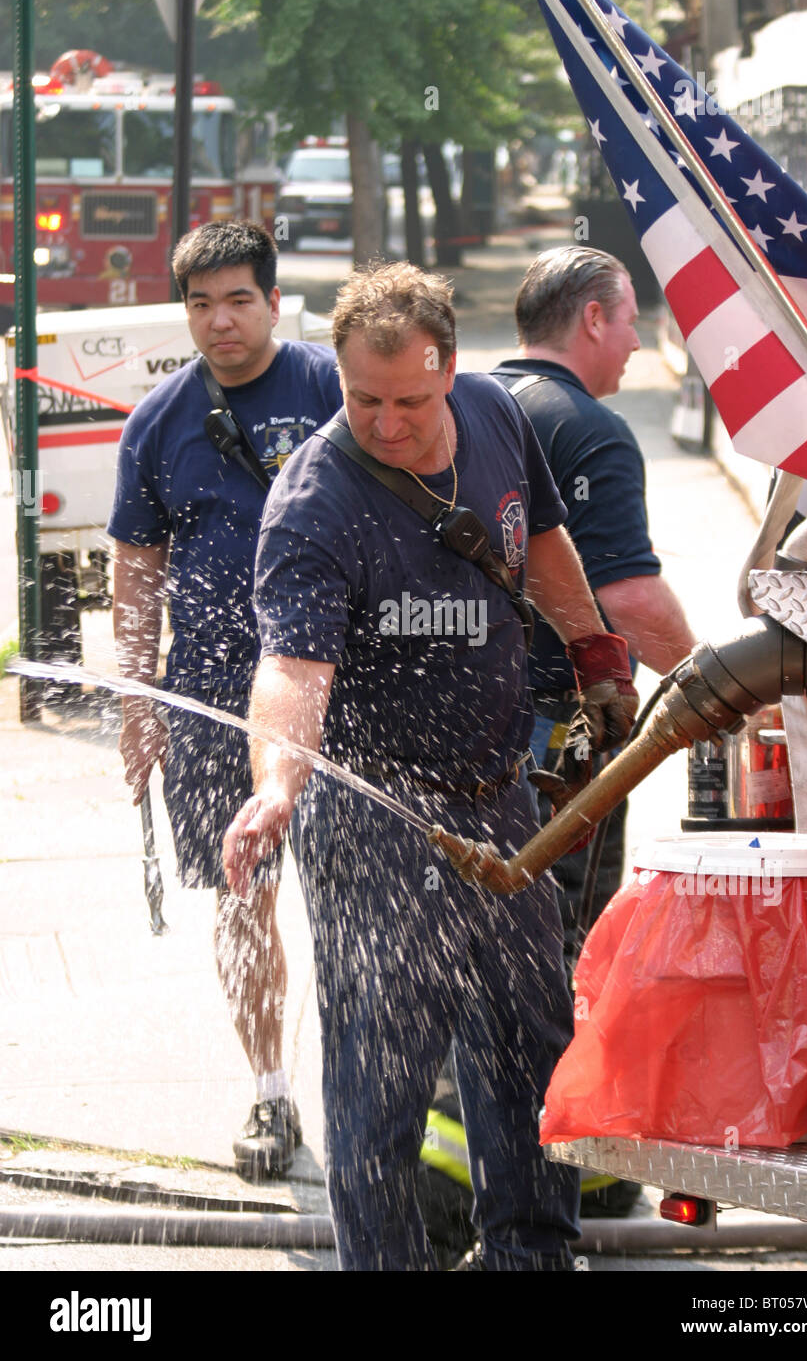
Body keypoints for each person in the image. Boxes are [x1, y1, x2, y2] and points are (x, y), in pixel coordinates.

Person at [223, 261, 640, 1271]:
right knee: (380, 1082)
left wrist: (590, 648)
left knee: (528, 1048)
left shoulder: (497, 415)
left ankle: (531, 1257)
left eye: (410, 398)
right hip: (376, 815)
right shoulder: (314, 498)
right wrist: (275, 785)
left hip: (498, 799)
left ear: (448, 368)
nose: (388, 421)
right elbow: (291, 670)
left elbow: (538, 538)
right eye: (364, 399)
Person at [107, 220, 342, 1180]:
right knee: (243, 900)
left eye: (238, 299)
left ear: (275, 301)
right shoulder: (158, 420)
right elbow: (136, 569)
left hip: (335, 688)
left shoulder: (329, 385)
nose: (219, 321)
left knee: (358, 900)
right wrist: (135, 702)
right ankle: (270, 1095)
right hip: (208, 698)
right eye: (200, 303)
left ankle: (384, 1092)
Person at [492, 246, 695, 963]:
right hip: (562, 725)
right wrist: (716, 695)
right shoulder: (591, 431)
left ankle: (468, 1078)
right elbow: (631, 599)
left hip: (456, 715)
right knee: (561, 933)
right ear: (592, 317)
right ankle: (551, 1076)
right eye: (632, 321)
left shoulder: (461, 408)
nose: (640, 341)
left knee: (476, 928)